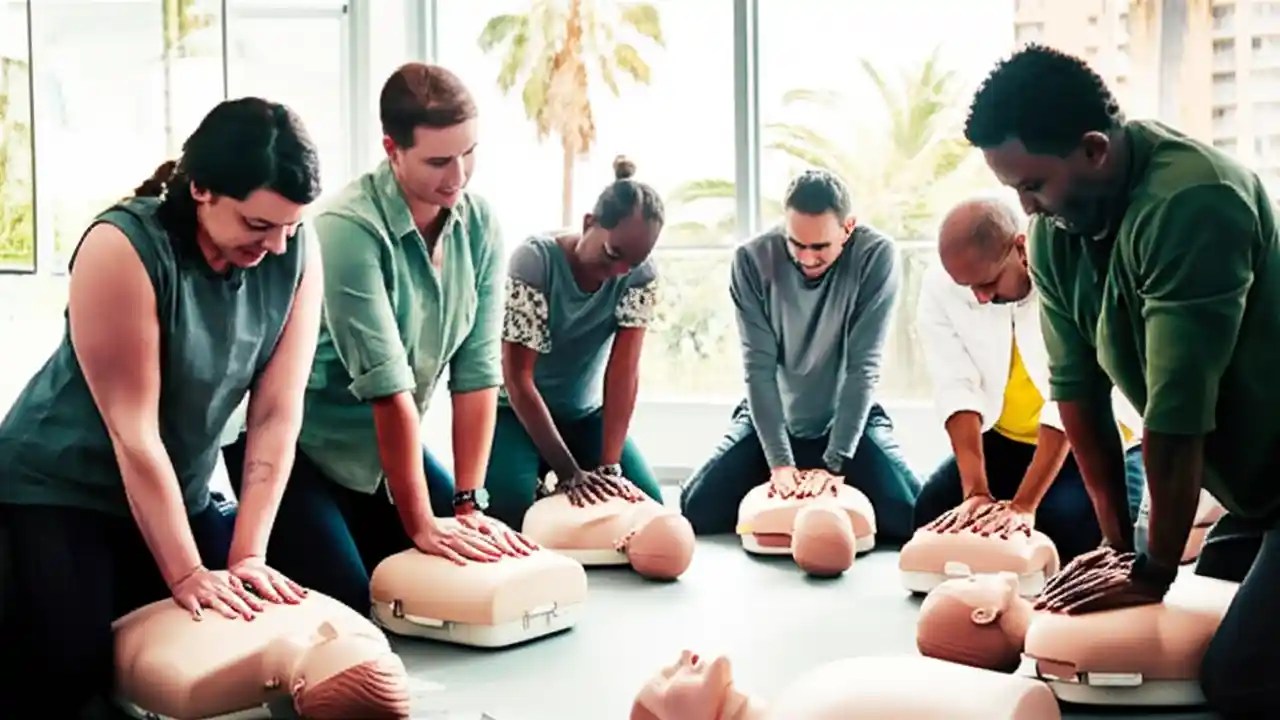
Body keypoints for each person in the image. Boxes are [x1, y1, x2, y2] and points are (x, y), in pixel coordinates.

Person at [963, 44, 1280, 714]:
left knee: (1242, 677)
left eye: (1033, 185)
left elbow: (1176, 414)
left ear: (1094, 150)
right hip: (1258, 499)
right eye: (1014, 189)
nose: (1026, 208)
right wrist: (1116, 549)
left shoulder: (1194, 202)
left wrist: (1154, 568)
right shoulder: (1055, 235)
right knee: (1203, 607)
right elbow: (1078, 396)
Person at [0, 97, 324, 717]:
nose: (279, 245)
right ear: (201, 189)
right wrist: (185, 574)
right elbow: (134, 432)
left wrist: (247, 555)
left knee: (249, 629)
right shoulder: (120, 246)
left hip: (179, 488)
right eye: (258, 224)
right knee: (74, 673)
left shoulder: (295, 252)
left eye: (290, 226)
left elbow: (276, 415)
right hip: (60, 483)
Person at [221, 62, 533, 616]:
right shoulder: (346, 228)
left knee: (480, 557)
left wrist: (467, 503)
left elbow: (479, 373)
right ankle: (233, 528)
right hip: (300, 455)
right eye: (438, 161)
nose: (458, 176)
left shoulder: (481, 223)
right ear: (393, 149)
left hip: (384, 461)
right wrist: (421, 524)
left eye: (468, 153)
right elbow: (390, 391)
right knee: (352, 597)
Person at [679, 169, 922, 541]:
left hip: (847, 422)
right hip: (773, 419)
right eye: (796, 244)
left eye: (820, 247)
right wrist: (779, 463)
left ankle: (826, 476)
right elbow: (758, 369)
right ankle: (788, 477)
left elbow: (863, 369)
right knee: (696, 507)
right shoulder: (750, 260)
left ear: (848, 228)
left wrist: (834, 463)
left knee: (914, 514)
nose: (807, 258)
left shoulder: (876, 256)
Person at [914, 196, 1147, 562]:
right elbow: (955, 384)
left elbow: (1071, 396)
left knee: (1075, 530)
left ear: (1021, 248)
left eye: (989, 282)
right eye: (967, 286)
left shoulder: (1073, 272)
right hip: (1004, 440)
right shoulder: (941, 286)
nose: (981, 297)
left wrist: (1024, 505)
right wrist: (975, 493)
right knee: (932, 511)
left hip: (1094, 437)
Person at [485, 156, 665, 530]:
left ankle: (555, 490)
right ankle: (541, 483)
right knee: (509, 508)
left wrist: (609, 468)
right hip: (515, 414)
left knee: (646, 505)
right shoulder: (534, 262)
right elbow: (518, 379)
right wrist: (569, 471)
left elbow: (623, 373)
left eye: (632, 264)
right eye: (614, 254)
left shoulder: (639, 277)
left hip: (584, 416)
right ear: (588, 223)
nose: (619, 272)